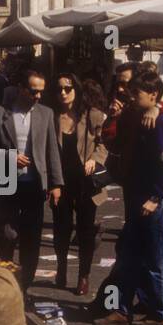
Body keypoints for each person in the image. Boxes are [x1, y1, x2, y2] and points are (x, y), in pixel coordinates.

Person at [94, 74, 163, 325]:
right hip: (134, 194)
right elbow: (114, 142)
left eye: (136, 92)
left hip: (151, 198)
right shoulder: (132, 117)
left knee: (155, 257)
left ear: (153, 95)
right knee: (128, 255)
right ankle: (121, 309)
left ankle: (161, 313)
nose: (131, 96)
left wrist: (156, 197)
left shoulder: (161, 122)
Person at [0, 68, 63, 291]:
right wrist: (9, 158)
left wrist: (56, 183)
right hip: (6, 183)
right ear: (20, 89)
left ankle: (24, 287)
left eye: (41, 92)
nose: (38, 96)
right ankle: (8, 281)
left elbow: (52, 151)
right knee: (7, 235)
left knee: (31, 239)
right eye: (33, 91)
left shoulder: (46, 114)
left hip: (34, 186)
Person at [52, 72, 107, 296]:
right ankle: (61, 267)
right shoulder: (51, 116)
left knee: (85, 231)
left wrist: (95, 158)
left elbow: (105, 144)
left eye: (67, 88)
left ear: (76, 89)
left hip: (87, 182)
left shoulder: (92, 115)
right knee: (61, 229)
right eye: (59, 89)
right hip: (61, 182)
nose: (63, 93)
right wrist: (51, 182)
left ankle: (83, 276)